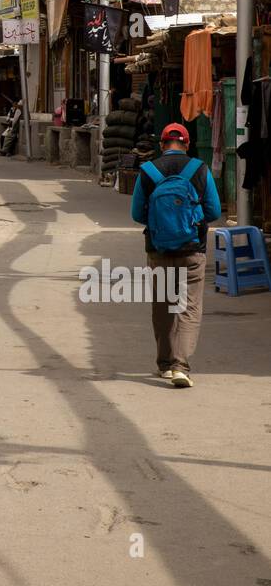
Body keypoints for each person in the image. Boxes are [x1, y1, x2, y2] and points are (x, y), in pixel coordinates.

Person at [130, 122, 221, 389]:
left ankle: (165, 365)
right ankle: (181, 366)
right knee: (189, 309)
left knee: (163, 307)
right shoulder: (200, 169)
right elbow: (214, 210)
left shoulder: (147, 171)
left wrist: (162, 223)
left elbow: (137, 214)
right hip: (192, 249)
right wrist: (190, 221)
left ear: (161, 145)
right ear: (187, 144)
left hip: (158, 249)